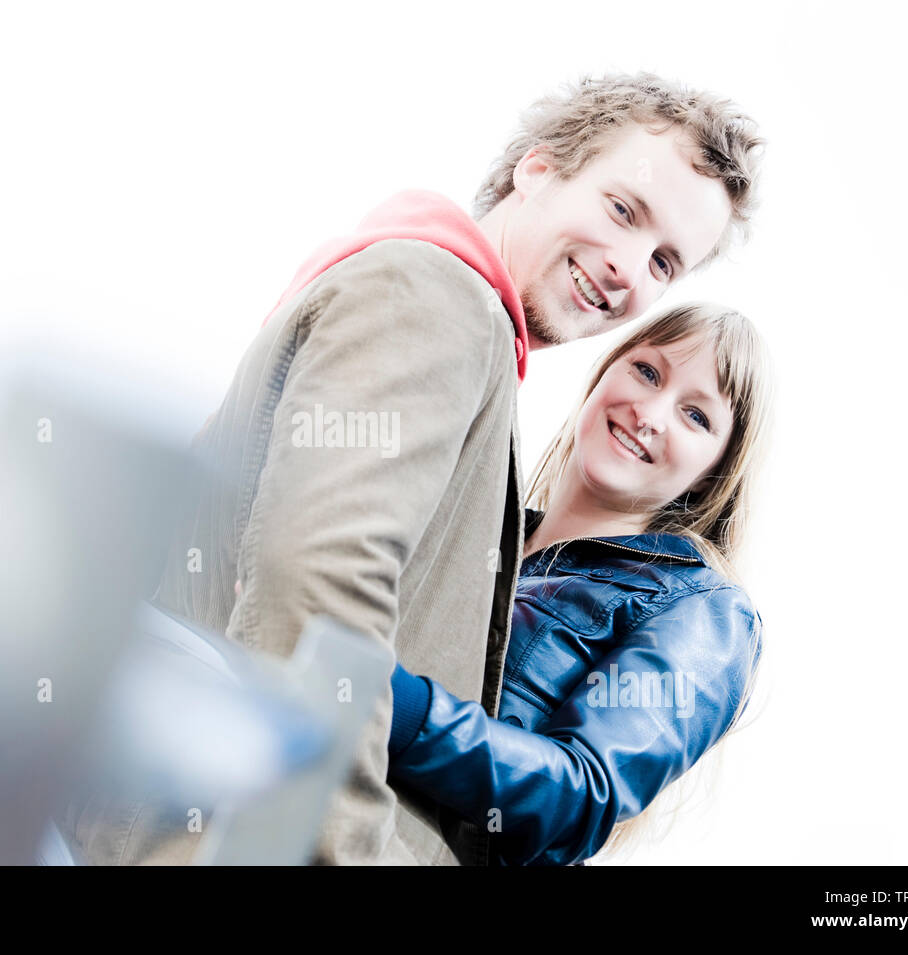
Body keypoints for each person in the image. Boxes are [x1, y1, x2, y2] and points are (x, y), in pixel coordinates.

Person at [63, 73, 764, 866]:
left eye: (665, 262)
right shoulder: (441, 300)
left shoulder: (442, 308)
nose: (628, 270)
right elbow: (323, 584)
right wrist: (342, 847)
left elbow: (576, 791)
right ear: (537, 170)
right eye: (623, 209)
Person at [386, 303, 774, 865]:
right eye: (647, 372)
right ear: (603, 373)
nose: (652, 414)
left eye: (696, 416)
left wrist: (397, 706)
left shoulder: (706, 612)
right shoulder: (475, 519)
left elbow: (579, 793)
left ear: (715, 471)